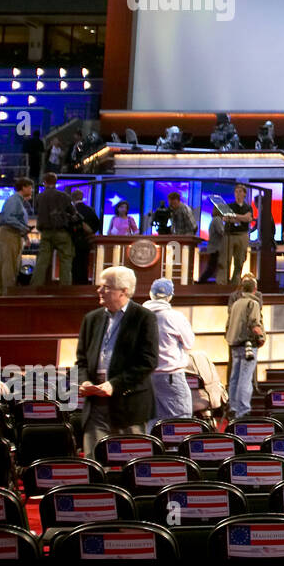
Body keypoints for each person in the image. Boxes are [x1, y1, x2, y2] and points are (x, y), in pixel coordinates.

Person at [75, 266, 158, 457]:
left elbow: (148, 361)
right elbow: (81, 360)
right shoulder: (91, 319)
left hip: (129, 404)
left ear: (124, 291)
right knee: (94, 464)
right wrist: (84, 381)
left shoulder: (144, 318)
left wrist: (114, 385)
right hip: (95, 404)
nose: (99, 291)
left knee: (132, 465)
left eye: (106, 287)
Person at [143, 278, 195, 428]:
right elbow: (189, 343)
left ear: (150, 294)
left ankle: (154, 452)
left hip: (145, 378)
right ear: (170, 296)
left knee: (151, 424)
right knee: (181, 423)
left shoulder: (136, 316)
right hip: (171, 377)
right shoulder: (175, 317)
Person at [224, 275, 265, 420]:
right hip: (248, 344)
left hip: (235, 344)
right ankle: (243, 410)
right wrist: (261, 338)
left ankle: (233, 407)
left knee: (235, 377)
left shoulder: (236, 303)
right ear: (255, 289)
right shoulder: (252, 303)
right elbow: (254, 324)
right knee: (245, 378)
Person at [29, 173, 75, 286]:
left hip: (45, 232)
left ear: (44, 182)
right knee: (65, 260)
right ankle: (65, 288)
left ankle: (35, 287)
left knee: (42, 261)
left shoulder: (39, 197)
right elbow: (73, 212)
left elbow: (36, 211)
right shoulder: (64, 196)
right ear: (56, 181)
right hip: (62, 232)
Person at [0, 177, 33, 295]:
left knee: (6, 265)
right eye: (30, 188)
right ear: (23, 187)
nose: (31, 190)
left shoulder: (19, 201)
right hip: (9, 235)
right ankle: (7, 293)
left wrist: (25, 236)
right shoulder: (14, 200)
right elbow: (9, 218)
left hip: (13, 235)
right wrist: (24, 229)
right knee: (9, 266)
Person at [220, 183, 254, 288]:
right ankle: (223, 283)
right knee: (226, 260)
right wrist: (240, 218)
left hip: (242, 235)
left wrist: (234, 216)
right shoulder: (229, 206)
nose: (237, 194)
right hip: (229, 235)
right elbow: (225, 218)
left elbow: (248, 218)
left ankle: (235, 283)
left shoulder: (248, 207)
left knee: (240, 260)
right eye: (236, 192)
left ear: (244, 194)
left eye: (240, 192)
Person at [69, 189, 99, 286]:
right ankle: (84, 283)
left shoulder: (72, 210)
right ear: (82, 197)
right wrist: (91, 232)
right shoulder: (90, 210)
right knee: (84, 262)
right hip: (87, 240)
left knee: (74, 262)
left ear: (72, 198)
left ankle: (75, 283)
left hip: (74, 240)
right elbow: (97, 224)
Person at [199, 208, 224, 284]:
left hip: (213, 247)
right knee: (212, 267)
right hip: (216, 248)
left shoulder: (214, 219)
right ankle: (201, 282)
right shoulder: (217, 220)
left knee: (212, 267)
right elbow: (221, 231)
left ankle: (201, 281)